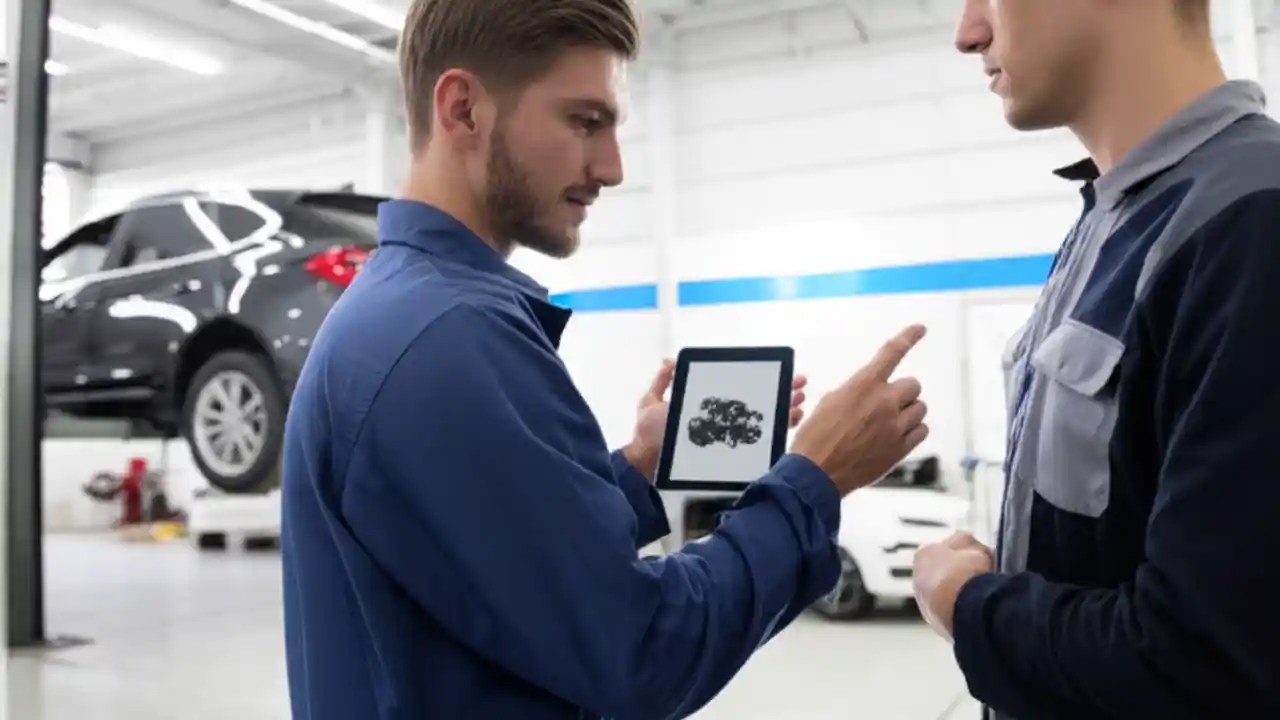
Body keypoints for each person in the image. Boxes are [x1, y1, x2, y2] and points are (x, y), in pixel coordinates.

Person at [280, 1, 932, 718]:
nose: (613, 168)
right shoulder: (448, 339)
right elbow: (643, 650)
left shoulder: (405, 315)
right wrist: (816, 479)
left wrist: (634, 468)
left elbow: (494, 560)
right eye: (585, 122)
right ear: (464, 108)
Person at [912, 0, 1280, 717]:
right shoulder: (1117, 219)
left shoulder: (1252, 227)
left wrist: (963, 604)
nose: (968, 33)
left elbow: (1205, 666)